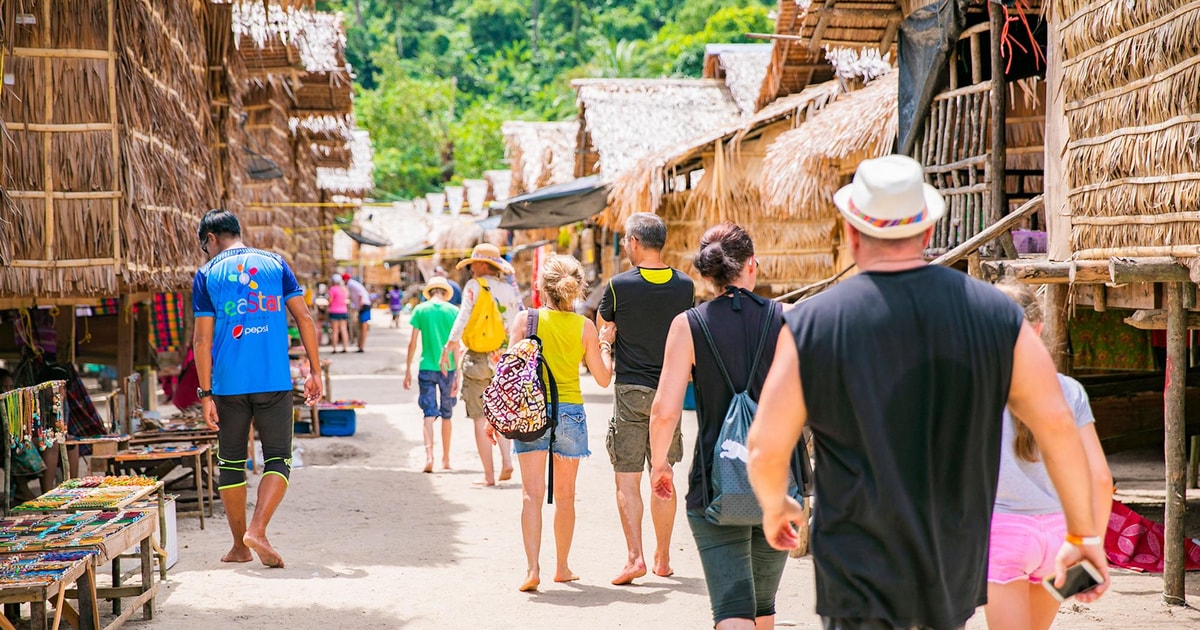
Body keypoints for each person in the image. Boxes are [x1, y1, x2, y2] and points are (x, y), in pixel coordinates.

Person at [745, 155, 1109, 630]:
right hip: (952, 556)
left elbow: (766, 446)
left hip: (856, 563)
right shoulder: (994, 316)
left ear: (853, 234)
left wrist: (777, 505)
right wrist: (1082, 534)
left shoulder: (814, 323)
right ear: (928, 235)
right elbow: (1057, 424)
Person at [648, 222, 793, 629]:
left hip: (717, 484)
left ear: (707, 274)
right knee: (763, 607)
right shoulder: (789, 319)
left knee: (732, 608)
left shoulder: (688, 325)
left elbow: (664, 411)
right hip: (779, 484)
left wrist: (660, 464)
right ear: (752, 265)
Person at [192, 209, 323, 569]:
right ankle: (258, 529)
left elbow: (202, 342)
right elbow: (305, 318)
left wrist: (205, 394)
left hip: (229, 386)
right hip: (274, 380)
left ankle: (239, 545)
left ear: (212, 239)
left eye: (205, 244)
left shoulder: (206, 274)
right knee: (278, 458)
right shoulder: (276, 263)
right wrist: (314, 370)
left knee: (231, 462)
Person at [985, 282, 1113, 630]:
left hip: (1001, 533)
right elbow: (1101, 480)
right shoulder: (1069, 390)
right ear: (1038, 329)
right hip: (1062, 535)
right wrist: (1090, 545)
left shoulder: (974, 390)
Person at [499, 254, 614, 592]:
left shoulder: (526, 320)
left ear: (541, 286)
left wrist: (496, 421)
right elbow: (604, 379)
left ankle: (532, 568)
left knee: (530, 496)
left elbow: (507, 373)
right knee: (566, 497)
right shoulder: (585, 326)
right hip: (570, 413)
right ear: (576, 288)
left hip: (530, 411)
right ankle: (562, 567)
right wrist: (605, 343)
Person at [596, 212, 694, 585]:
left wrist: (609, 339)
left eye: (625, 241)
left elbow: (605, 325)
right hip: (669, 393)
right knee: (663, 474)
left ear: (635, 242)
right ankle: (663, 557)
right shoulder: (684, 286)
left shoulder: (619, 285)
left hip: (631, 390)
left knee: (626, 479)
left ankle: (634, 557)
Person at [440, 244, 523, 486]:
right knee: (501, 414)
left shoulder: (473, 286)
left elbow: (463, 317)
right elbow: (518, 320)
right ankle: (507, 460)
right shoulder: (509, 289)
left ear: (483, 265)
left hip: (478, 358)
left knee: (479, 417)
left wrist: (449, 346)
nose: (471, 268)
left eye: (474, 263)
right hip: (505, 359)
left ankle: (488, 475)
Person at [404, 277, 462, 473]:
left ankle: (429, 456)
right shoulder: (454, 311)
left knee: (428, 414)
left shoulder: (420, 310)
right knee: (447, 415)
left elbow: (412, 343)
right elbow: (456, 346)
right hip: (449, 368)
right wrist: (458, 375)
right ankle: (446, 459)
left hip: (426, 367)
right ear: (445, 293)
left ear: (430, 292)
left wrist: (407, 371)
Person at [347, 275, 371, 353]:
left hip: (364, 306)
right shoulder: (352, 284)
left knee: (363, 327)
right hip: (362, 306)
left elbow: (360, 294)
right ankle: (360, 345)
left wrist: (360, 304)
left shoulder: (351, 284)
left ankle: (361, 346)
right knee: (361, 327)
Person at [327, 275, 350, 353]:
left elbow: (330, 300)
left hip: (334, 311)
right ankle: (345, 347)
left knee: (335, 330)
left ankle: (334, 348)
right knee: (344, 329)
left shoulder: (332, 289)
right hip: (344, 311)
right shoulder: (344, 289)